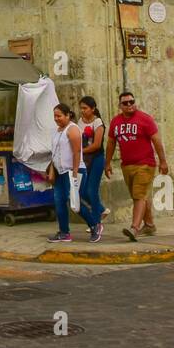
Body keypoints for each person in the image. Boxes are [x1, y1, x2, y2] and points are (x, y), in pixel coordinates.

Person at [106, 90, 167, 241]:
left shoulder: (145, 119)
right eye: (125, 103)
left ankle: (134, 228)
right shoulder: (115, 121)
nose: (129, 105)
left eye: (131, 102)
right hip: (127, 165)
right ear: (120, 105)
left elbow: (157, 141)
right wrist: (107, 163)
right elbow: (111, 143)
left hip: (145, 164)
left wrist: (163, 161)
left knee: (139, 195)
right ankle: (150, 225)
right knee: (139, 195)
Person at [49, 103, 101, 243]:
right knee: (59, 201)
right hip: (60, 171)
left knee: (74, 202)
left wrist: (75, 172)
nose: (56, 118)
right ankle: (64, 232)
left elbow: (77, 152)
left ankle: (94, 225)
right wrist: (51, 170)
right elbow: (54, 153)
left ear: (67, 115)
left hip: (73, 170)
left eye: (59, 116)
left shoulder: (72, 129)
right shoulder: (57, 131)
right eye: (55, 116)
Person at [76, 96, 108, 225]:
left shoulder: (98, 122)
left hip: (96, 158)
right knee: (82, 190)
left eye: (85, 108)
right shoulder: (80, 121)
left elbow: (96, 145)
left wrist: (80, 151)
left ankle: (95, 222)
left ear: (93, 108)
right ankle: (101, 210)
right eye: (81, 108)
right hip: (84, 160)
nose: (82, 111)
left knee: (91, 190)